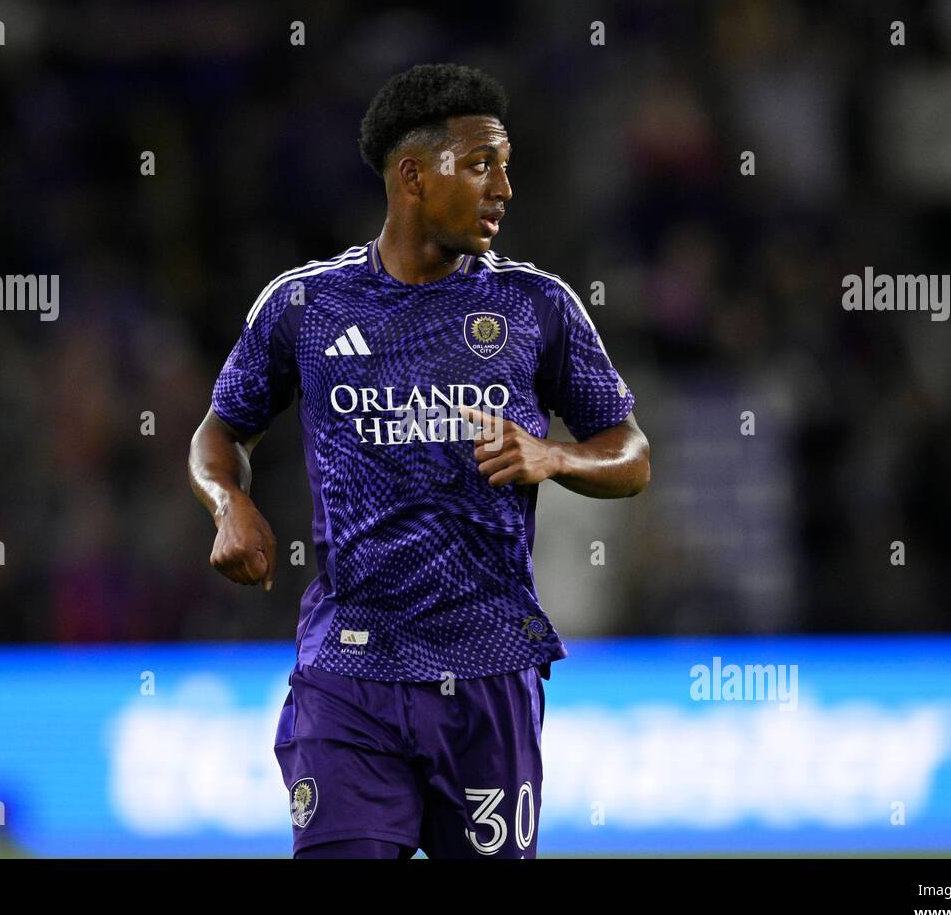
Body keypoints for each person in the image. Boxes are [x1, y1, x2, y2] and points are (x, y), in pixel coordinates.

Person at [187, 63, 650, 858]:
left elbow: (632, 454)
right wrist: (231, 505)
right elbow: (216, 437)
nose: (503, 186)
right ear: (412, 176)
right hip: (349, 666)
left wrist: (554, 455)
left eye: (506, 164)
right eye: (479, 164)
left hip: (488, 665)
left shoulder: (536, 306)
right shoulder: (307, 304)